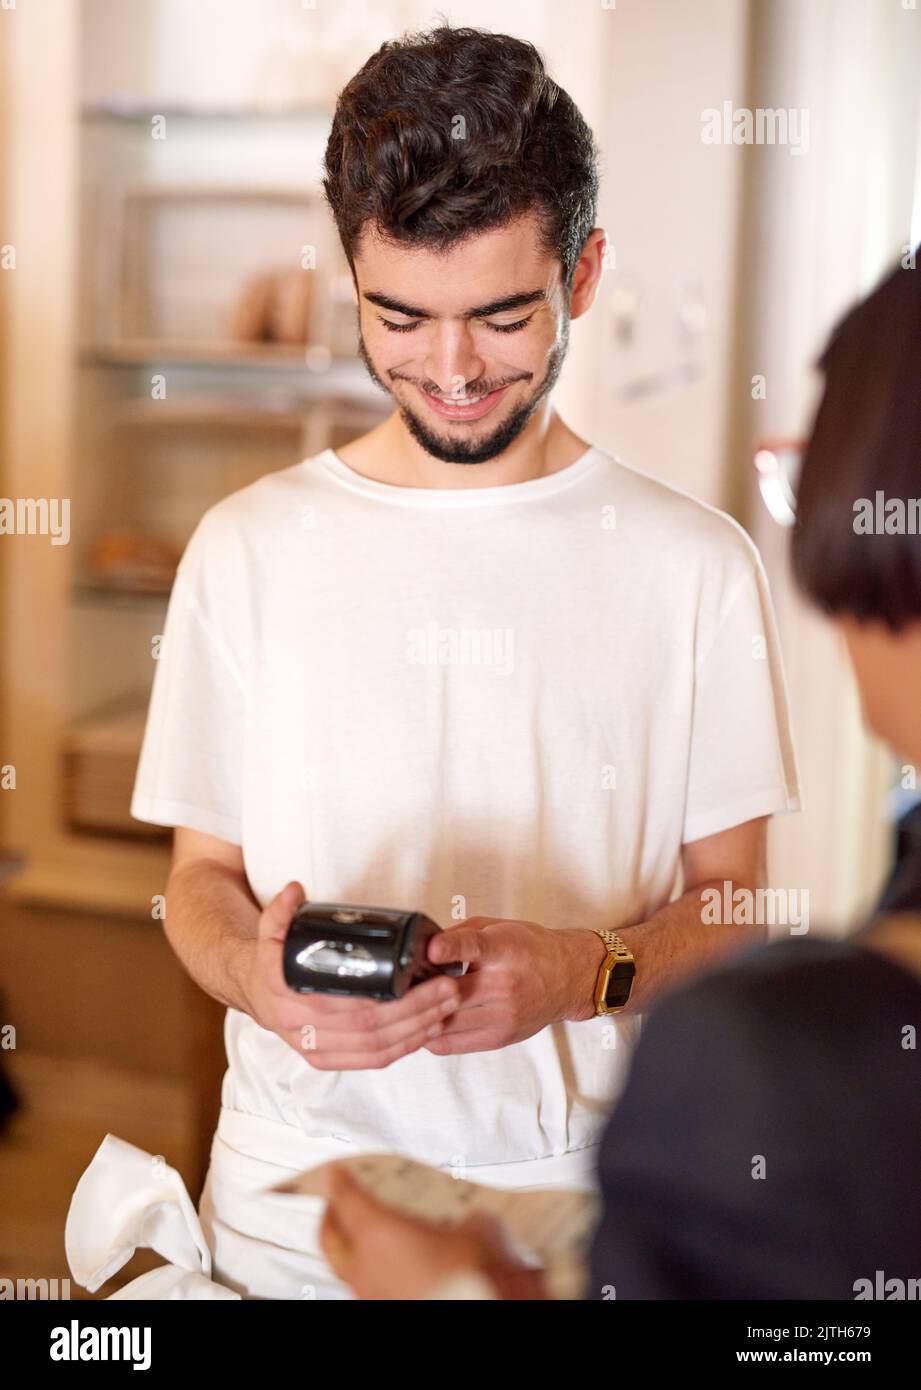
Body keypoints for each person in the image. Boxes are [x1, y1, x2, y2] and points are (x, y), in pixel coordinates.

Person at [128, 25, 798, 1299]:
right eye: (401, 318)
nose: (449, 372)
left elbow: (743, 905)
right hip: (291, 1203)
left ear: (583, 274)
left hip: (571, 1201)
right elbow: (202, 882)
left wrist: (582, 971)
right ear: (352, 277)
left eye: (500, 318)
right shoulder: (248, 547)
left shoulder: (693, 564)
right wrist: (262, 984)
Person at [319, 255, 921, 1300]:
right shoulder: (255, 539)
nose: (454, 364)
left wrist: (456, 1294)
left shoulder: (782, 1061)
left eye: (813, 472)